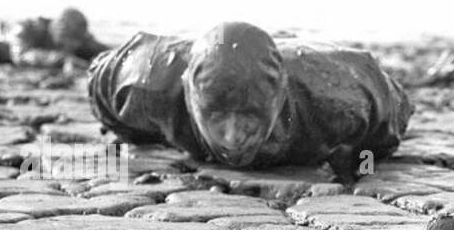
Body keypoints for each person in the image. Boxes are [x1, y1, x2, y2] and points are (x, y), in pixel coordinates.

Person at [87, 20, 413, 175]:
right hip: (184, 55)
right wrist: (134, 133)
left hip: (314, 67)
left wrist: (362, 162)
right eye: (216, 119)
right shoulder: (146, 84)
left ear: (273, 102)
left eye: (247, 120)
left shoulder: (335, 100)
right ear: (192, 101)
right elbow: (99, 83)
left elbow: (388, 125)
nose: (231, 137)